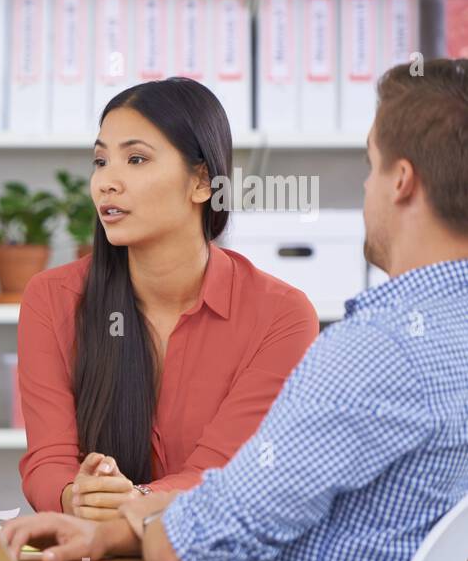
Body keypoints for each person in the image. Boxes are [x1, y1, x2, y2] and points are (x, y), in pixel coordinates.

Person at [2, 59, 468, 561]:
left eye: (370, 167)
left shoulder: (381, 346)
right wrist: (104, 512)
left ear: (402, 180)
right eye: (103, 160)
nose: (365, 189)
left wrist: (117, 527)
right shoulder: (446, 332)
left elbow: (219, 525)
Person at [18, 77, 317, 522]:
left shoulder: (282, 316)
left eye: (136, 159)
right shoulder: (51, 299)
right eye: (100, 161)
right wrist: (76, 496)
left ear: (201, 182)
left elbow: (221, 475)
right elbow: (48, 462)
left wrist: (128, 501)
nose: (106, 183)